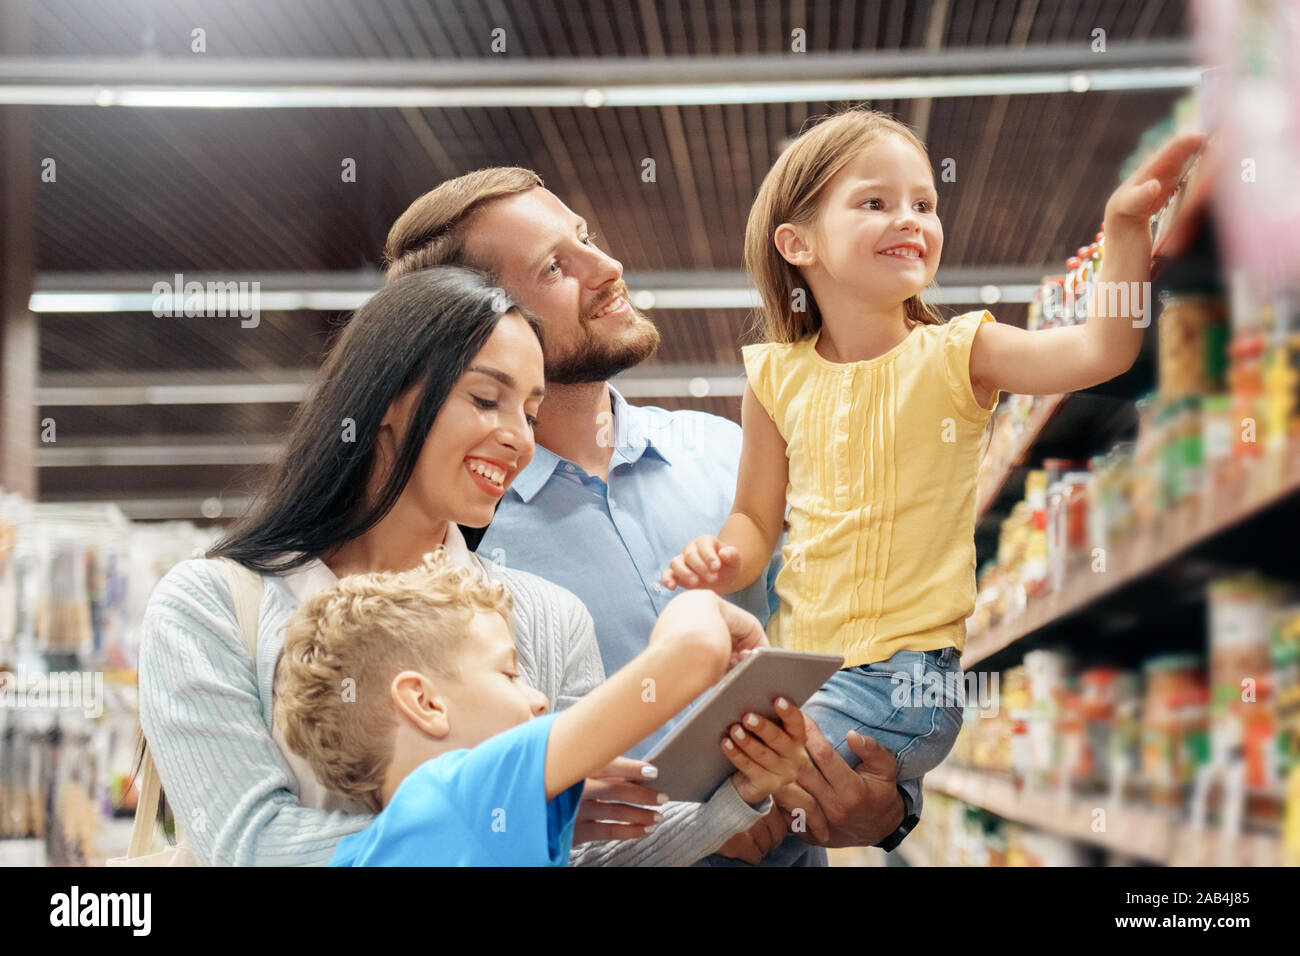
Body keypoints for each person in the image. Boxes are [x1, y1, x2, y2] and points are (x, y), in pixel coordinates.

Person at [661, 107, 1205, 854]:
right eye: (876, 202)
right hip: (803, 670)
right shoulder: (774, 377)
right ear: (798, 243)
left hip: (907, 682)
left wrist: (1126, 229)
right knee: (726, 812)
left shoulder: (959, 353)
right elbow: (755, 521)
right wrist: (723, 558)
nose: (911, 218)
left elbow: (1101, 351)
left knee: (725, 810)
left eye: (924, 203)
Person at [137, 266, 772, 866]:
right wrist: (513, 809)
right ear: (385, 396)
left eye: (530, 412)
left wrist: (734, 795)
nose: (519, 438)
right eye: (486, 398)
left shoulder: (546, 615)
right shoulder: (210, 605)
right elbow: (250, 848)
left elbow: (576, 853)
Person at [383, 168, 914, 865]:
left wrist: (893, 800)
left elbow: (858, 628)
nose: (608, 267)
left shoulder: (730, 458)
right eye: (556, 266)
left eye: (586, 238)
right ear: (477, 324)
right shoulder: (455, 549)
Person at [273, 551, 806, 866]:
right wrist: (699, 602)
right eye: (508, 672)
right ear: (425, 703)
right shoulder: (456, 792)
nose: (539, 697)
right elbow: (692, 656)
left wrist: (740, 793)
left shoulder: (404, 841)